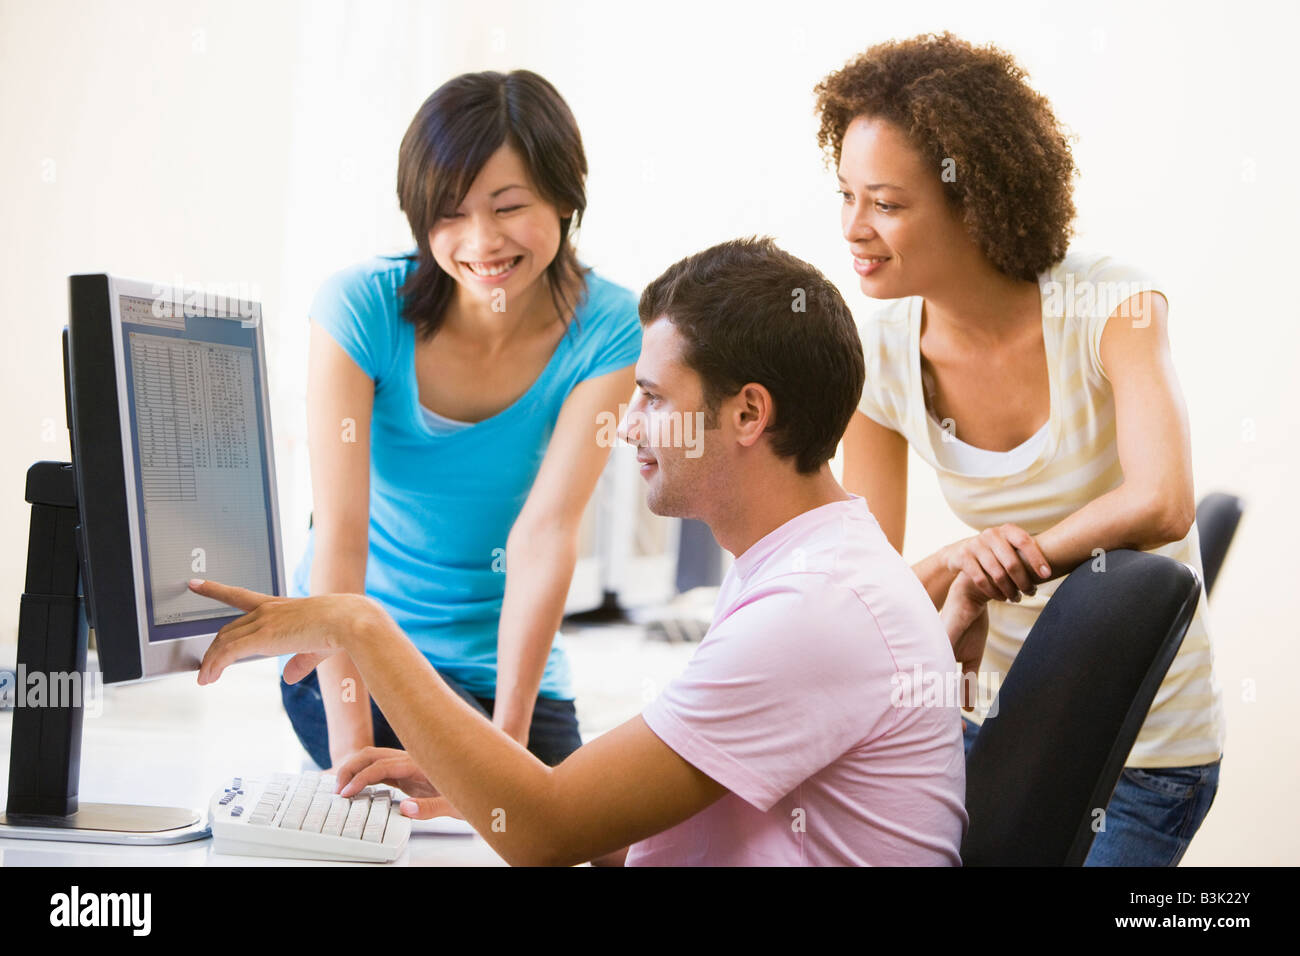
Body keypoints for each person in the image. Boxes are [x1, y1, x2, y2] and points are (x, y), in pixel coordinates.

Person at [190, 237, 970, 867]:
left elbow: (547, 836)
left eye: (654, 397)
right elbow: (638, 826)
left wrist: (361, 626)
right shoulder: (803, 567)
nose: (627, 424)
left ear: (746, 414)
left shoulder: (815, 607)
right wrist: (476, 789)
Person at [816, 32, 1225, 866]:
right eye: (846, 195)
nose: (854, 229)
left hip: (1145, 754)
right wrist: (961, 567)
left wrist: (1005, 560)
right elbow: (871, 575)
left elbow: (1163, 500)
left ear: (976, 198)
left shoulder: (1113, 304)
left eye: (887, 203)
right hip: (998, 724)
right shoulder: (881, 355)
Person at [282, 69, 641, 772]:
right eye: (449, 212)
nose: (480, 242)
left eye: (508, 207)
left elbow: (545, 533)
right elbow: (340, 540)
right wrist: (352, 751)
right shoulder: (359, 308)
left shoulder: (609, 326)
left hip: (508, 671)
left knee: (573, 833)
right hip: (368, 657)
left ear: (566, 197)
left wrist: (509, 743)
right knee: (461, 816)